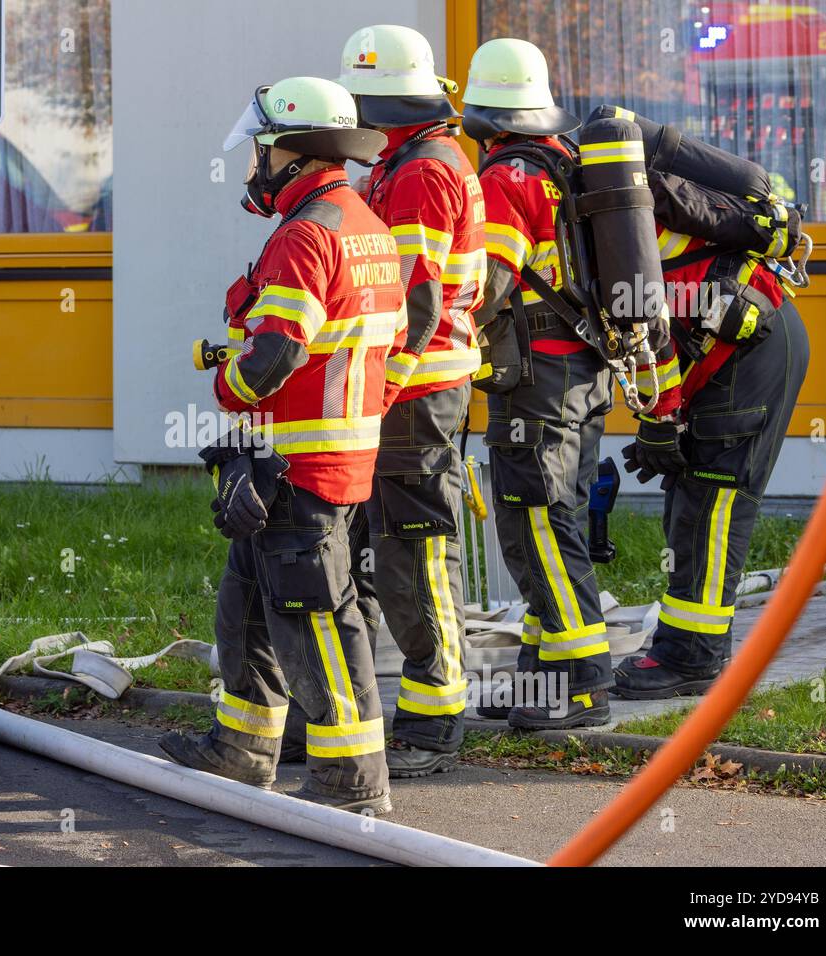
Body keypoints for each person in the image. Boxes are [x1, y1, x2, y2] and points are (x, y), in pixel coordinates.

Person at [159, 77, 408, 813]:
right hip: (308, 461)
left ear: (292, 155)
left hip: (301, 467)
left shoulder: (307, 234)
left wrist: (228, 386)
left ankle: (351, 781)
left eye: (260, 153)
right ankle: (241, 748)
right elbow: (390, 351)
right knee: (247, 606)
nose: (253, 169)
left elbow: (270, 358)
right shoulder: (365, 225)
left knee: (316, 620)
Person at [335, 24, 486, 775]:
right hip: (414, 389)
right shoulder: (410, 160)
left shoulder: (423, 170)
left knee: (418, 553)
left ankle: (436, 716)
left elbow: (416, 297)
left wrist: (379, 385)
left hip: (416, 394)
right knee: (386, 551)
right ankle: (399, 707)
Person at [614, 152, 810, 699]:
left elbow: (647, 331)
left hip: (750, 353)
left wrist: (659, 417)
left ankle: (693, 658)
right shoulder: (613, 206)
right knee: (689, 500)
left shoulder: (609, 226)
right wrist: (665, 419)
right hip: (735, 344)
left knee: (713, 504)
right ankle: (684, 643)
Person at [461, 38, 615, 729]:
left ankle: (582, 685)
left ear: (486, 115)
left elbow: (489, 282)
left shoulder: (505, 177)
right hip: (582, 372)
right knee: (558, 522)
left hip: (536, 380)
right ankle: (538, 682)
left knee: (538, 527)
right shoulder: (568, 164)